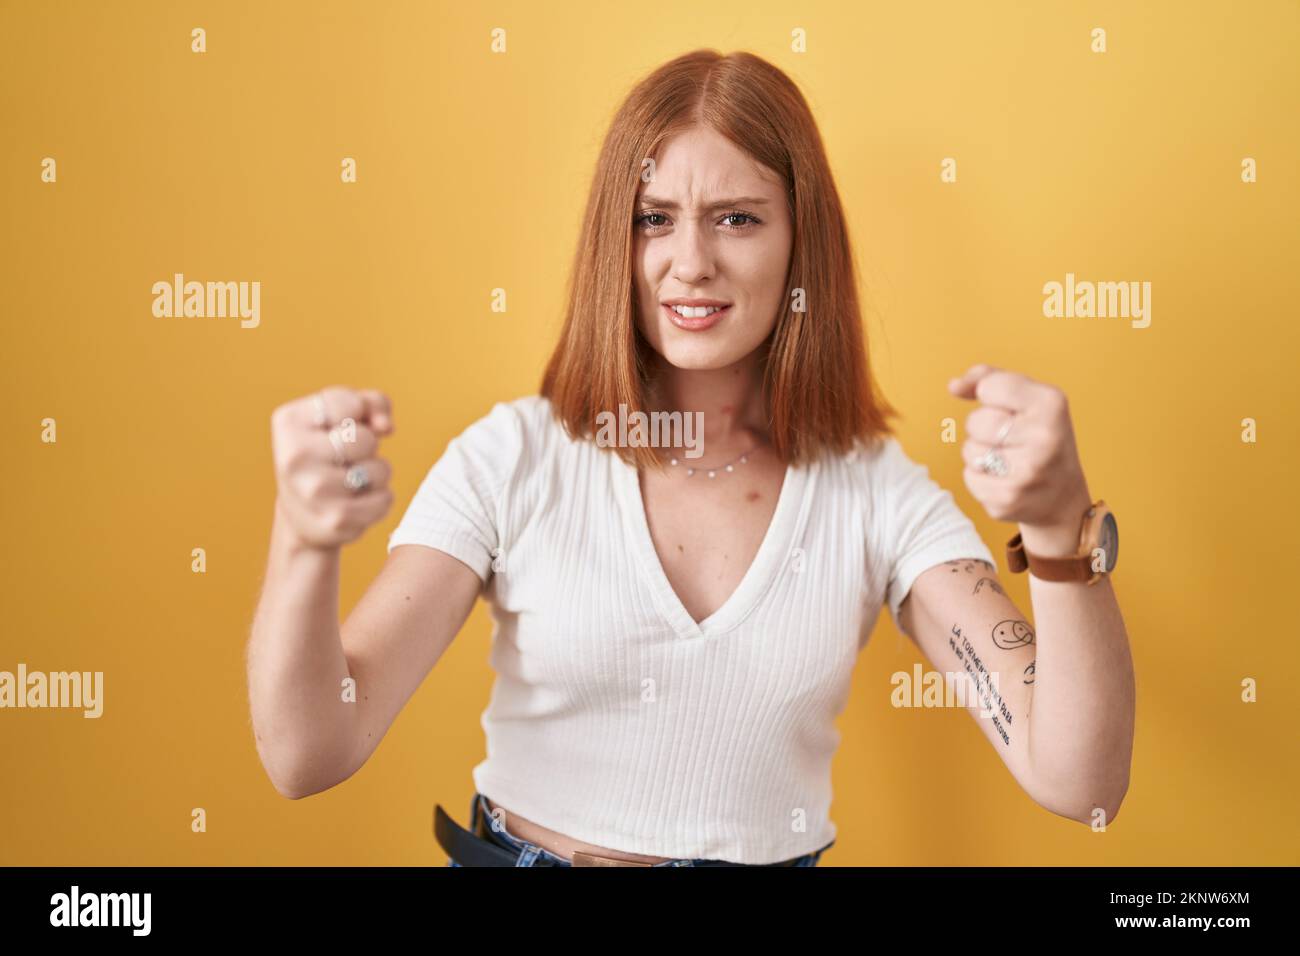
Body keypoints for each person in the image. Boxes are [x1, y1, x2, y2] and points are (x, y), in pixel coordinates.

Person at [246, 49, 1135, 867]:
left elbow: (1079, 782)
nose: (690, 262)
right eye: (653, 219)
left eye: (737, 218)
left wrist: (1061, 530)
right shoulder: (515, 457)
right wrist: (303, 540)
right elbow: (308, 752)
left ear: (800, 245)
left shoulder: (876, 495)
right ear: (615, 240)